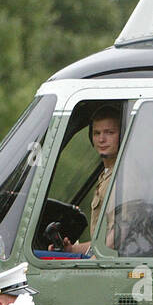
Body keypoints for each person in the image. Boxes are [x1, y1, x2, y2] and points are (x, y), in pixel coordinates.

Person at [49, 105, 121, 255]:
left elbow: (117, 238)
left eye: (109, 132)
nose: (101, 139)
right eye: (96, 133)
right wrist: (72, 249)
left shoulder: (122, 178)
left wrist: (89, 259)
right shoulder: (106, 175)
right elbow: (101, 241)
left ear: (122, 135)